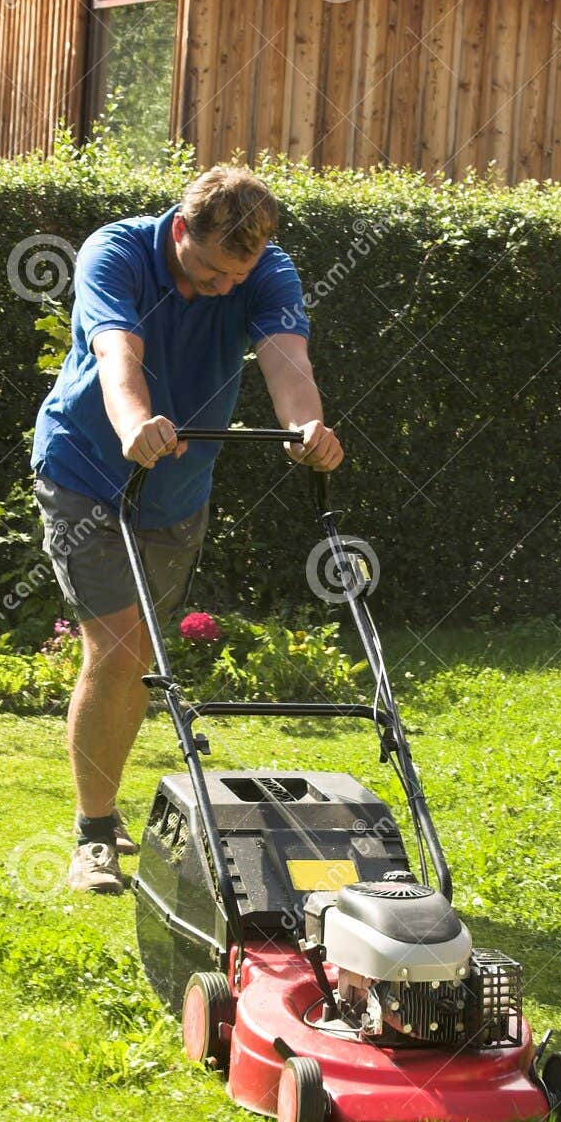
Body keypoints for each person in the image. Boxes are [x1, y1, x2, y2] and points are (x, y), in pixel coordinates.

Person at [31, 164, 343, 894]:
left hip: (178, 487)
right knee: (115, 646)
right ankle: (95, 834)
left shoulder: (264, 270)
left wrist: (306, 426)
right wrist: (137, 425)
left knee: (140, 654)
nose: (224, 287)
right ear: (180, 229)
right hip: (88, 472)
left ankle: (105, 817)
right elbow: (117, 356)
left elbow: (286, 359)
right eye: (209, 269)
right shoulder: (116, 252)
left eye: (238, 275)